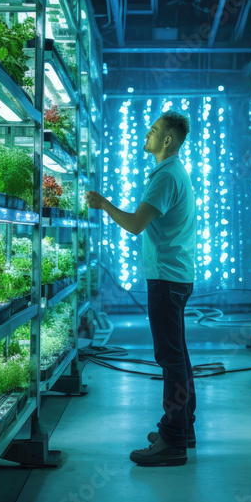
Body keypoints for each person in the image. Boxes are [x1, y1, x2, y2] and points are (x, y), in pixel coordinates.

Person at [86, 111, 197, 467]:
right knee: (177, 353)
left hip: (166, 279)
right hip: (176, 276)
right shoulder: (173, 172)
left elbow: (135, 224)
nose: (145, 135)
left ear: (167, 140)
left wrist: (103, 204)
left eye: (153, 131)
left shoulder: (165, 177)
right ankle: (181, 427)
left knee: (169, 357)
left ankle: (173, 441)